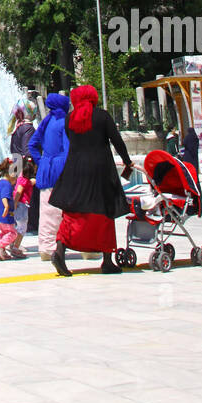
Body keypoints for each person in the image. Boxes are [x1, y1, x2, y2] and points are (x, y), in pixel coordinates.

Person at [49, 85, 134, 277]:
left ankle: (60, 251)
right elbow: (117, 140)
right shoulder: (102, 116)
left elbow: (71, 139)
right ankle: (107, 261)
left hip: (74, 169)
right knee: (104, 212)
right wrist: (127, 162)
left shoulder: (70, 118)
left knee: (72, 212)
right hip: (100, 170)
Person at [27, 92, 71, 261]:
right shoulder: (64, 122)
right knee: (60, 211)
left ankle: (45, 248)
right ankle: (61, 245)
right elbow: (67, 149)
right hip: (60, 169)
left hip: (45, 170)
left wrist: (42, 161)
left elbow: (32, 144)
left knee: (46, 211)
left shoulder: (46, 121)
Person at [0, 158, 23, 261]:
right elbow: (4, 196)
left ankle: (1, 250)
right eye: (16, 177)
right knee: (13, 233)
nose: (16, 181)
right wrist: (6, 207)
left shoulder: (0, 182)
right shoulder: (7, 184)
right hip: (6, 215)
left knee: (5, 233)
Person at [9, 108, 35, 173]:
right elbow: (27, 150)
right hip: (25, 169)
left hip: (17, 165)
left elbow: (13, 149)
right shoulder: (28, 128)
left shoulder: (17, 128)